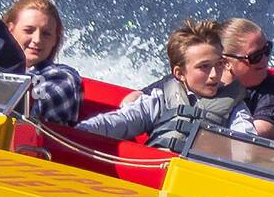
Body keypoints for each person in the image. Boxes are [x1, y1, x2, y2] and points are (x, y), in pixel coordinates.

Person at [77, 19, 255, 150]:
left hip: (202, 181)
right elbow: (122, 121)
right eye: (204, 67)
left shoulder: (235, 108)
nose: (215, 75)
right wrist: (81, 131)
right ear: (180, 73)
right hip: (156, 173)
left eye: (218, 64)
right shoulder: (161, 98)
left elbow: (246, 144)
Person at [119, 17, 274, 139]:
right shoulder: (195, 80)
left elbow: (256, 136)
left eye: (267, 49)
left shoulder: (273, 92)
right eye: (255, 56)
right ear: (226, 61)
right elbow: (133, 98)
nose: (266, 60)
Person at [3, 0, 83, 124]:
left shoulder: (62, 78)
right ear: (9, 30)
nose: (37, 40)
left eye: (46, 34)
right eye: (29, 30)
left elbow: (32, 110)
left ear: (55, 40)